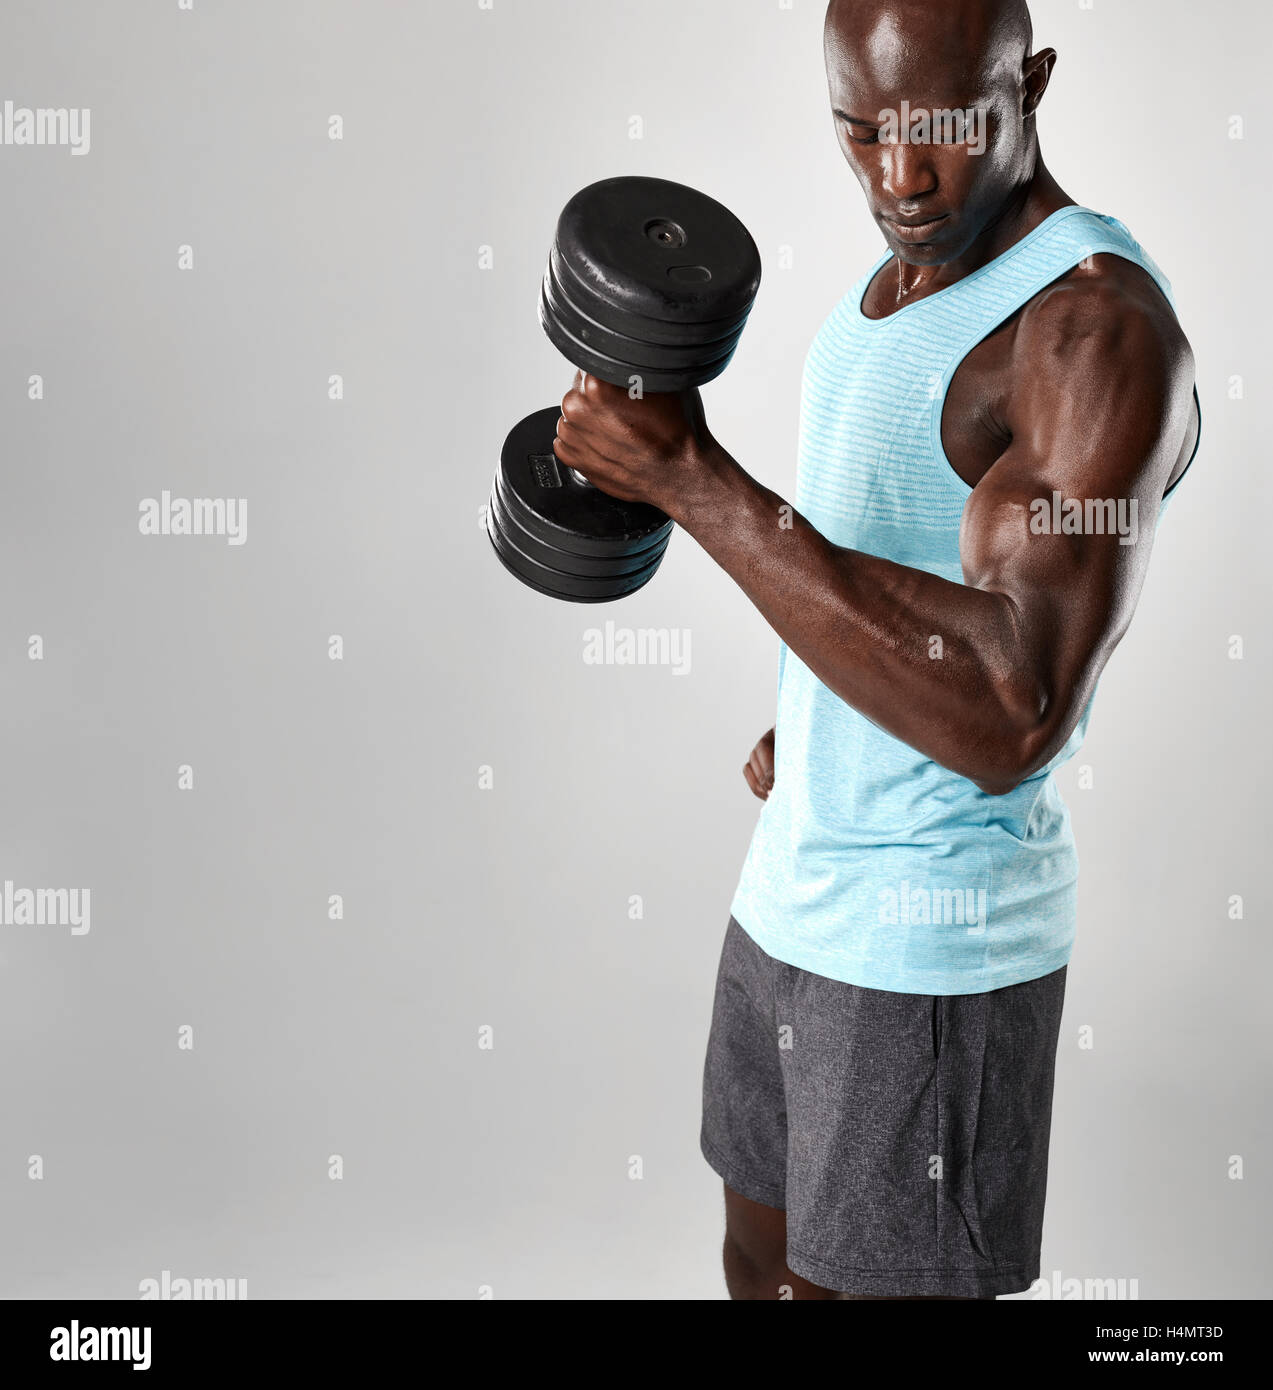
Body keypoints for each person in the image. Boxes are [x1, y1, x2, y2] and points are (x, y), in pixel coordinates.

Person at [553, 0, 1200, 1300]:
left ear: (1034, 84)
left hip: (927, 941)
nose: (896, 179)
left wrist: (699, 485)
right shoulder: (892, 285)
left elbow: (1015, 698)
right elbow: (883, 548)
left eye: (938, 132)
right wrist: (819, 713)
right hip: (791, 888)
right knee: (759, 1262)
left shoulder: (1092, 334)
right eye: (858, 133)